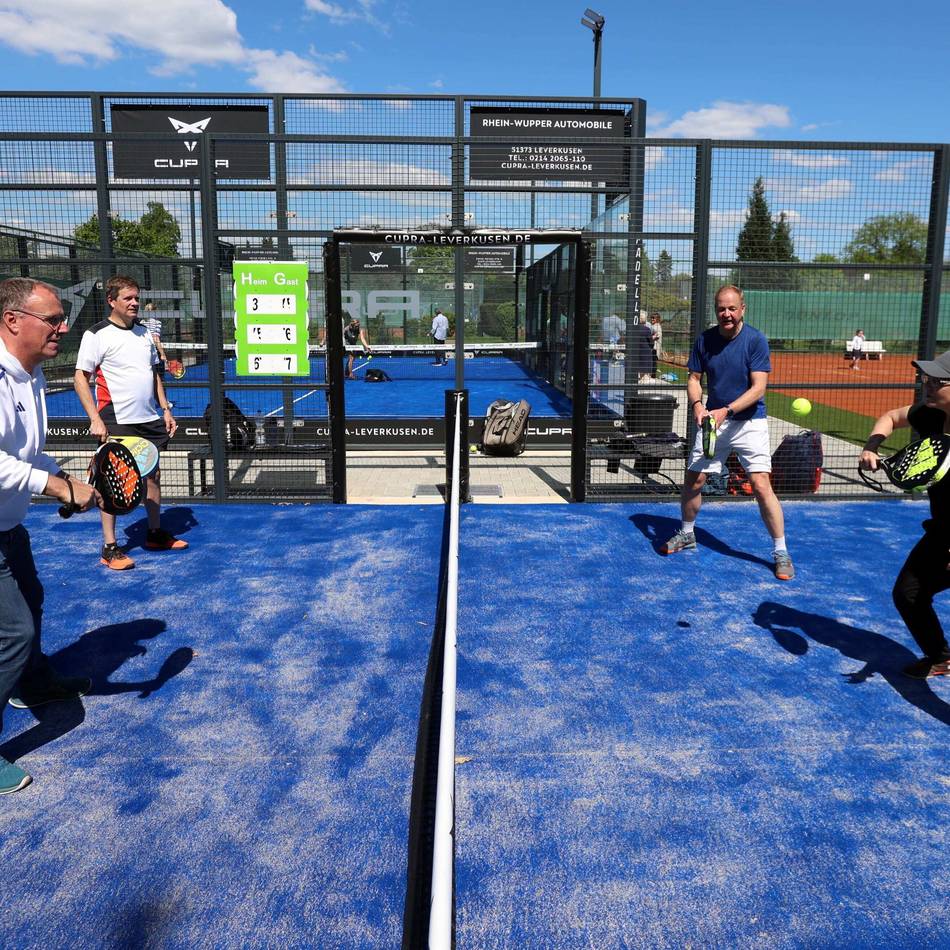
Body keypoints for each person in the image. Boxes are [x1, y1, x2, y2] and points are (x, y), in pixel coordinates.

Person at [0, 277, 102, 794]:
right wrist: (58, 486)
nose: (64, 327)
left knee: (32, 601)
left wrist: (69, 479)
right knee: (12, 632)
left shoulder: (31, 372)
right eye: (54, 319)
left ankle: (33, 685)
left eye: (64, 318)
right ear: (14, 319)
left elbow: (26, 453)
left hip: (8, 524)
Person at [661, 285, 794, 581]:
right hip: (713, 422)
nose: (727, 314)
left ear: (743, 309)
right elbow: (694, 379)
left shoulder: (755, 340)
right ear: (716, 310)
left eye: (732, 308)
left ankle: (781, 551)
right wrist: (697, 406)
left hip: (750, 422)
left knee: (760, 485)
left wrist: (727, 410)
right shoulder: (705, 340)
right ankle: (686, 533)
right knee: (694, 480)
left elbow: (758, 387)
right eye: (722, 308)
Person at [73, 275, 187, 571]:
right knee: (112, 482)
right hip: (115, 418)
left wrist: (165, 409)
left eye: (136, 298)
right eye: (128, 298)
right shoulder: (96, 334)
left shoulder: (145, 334)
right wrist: (95, 418)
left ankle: (154, 533)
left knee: (153, 476)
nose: (135, 303)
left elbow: (154, 375)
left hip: (149, 418)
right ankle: (110, 547)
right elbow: (80, 379)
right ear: (112, 301)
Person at [859, 351, 950, 678]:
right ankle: (941, 657)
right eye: (926, 377)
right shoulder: (931, 415)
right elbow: (892, 416)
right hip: (942, 533)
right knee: (908, 594)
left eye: (937, 380)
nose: (926, 384)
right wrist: (872, 445)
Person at [143, 302, 167, 376]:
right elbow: (155, 338)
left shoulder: (141, 322)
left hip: (143, 352)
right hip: (154, 353)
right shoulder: (157, 322)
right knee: (159, 376)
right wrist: (163, 354)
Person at [343, 316, 370, 380]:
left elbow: (362, 338)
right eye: (356, 326)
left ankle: (346, 372)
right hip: (346, 344)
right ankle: (350, 374)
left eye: (358, 325)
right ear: (352, 325)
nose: (358, 327)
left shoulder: (360, 329)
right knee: (351, 357)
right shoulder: (346, 329)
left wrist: (366, 346)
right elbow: (342, 337)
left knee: (352, 358)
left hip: (353, 344)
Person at [650, 312, 663, 377]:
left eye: (653, 318)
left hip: (655, 347)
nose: (652, 319)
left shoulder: (657, 326)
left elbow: (658, 335)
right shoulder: (653, 326)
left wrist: (650, 337)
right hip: (652, 347)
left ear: (657, 319)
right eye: (651, 318)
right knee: (652, 362)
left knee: (653, 362)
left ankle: (653, 376)